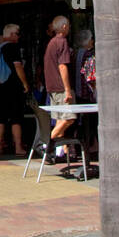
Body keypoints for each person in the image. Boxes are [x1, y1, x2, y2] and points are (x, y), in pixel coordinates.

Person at [0, 23, 30, 155]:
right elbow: (18, 67)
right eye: (17, 33)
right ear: (11, 34)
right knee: (16, 117)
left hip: (0, 86)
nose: (18, 36)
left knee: (1, 117)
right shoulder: (12, 47)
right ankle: (18, 147)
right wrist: (25, 83)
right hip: (13, 87)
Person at [42, 16, 77, 153]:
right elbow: (62, 66)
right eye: (68, 25)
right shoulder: (62, 42)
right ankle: (46, 143)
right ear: (63, 27)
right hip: (60, 87)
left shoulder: (51, 43)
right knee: (68, 119)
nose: (69, 28)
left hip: (52, 87)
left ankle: (61, 151)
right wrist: (67, 89)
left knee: (59, 119)